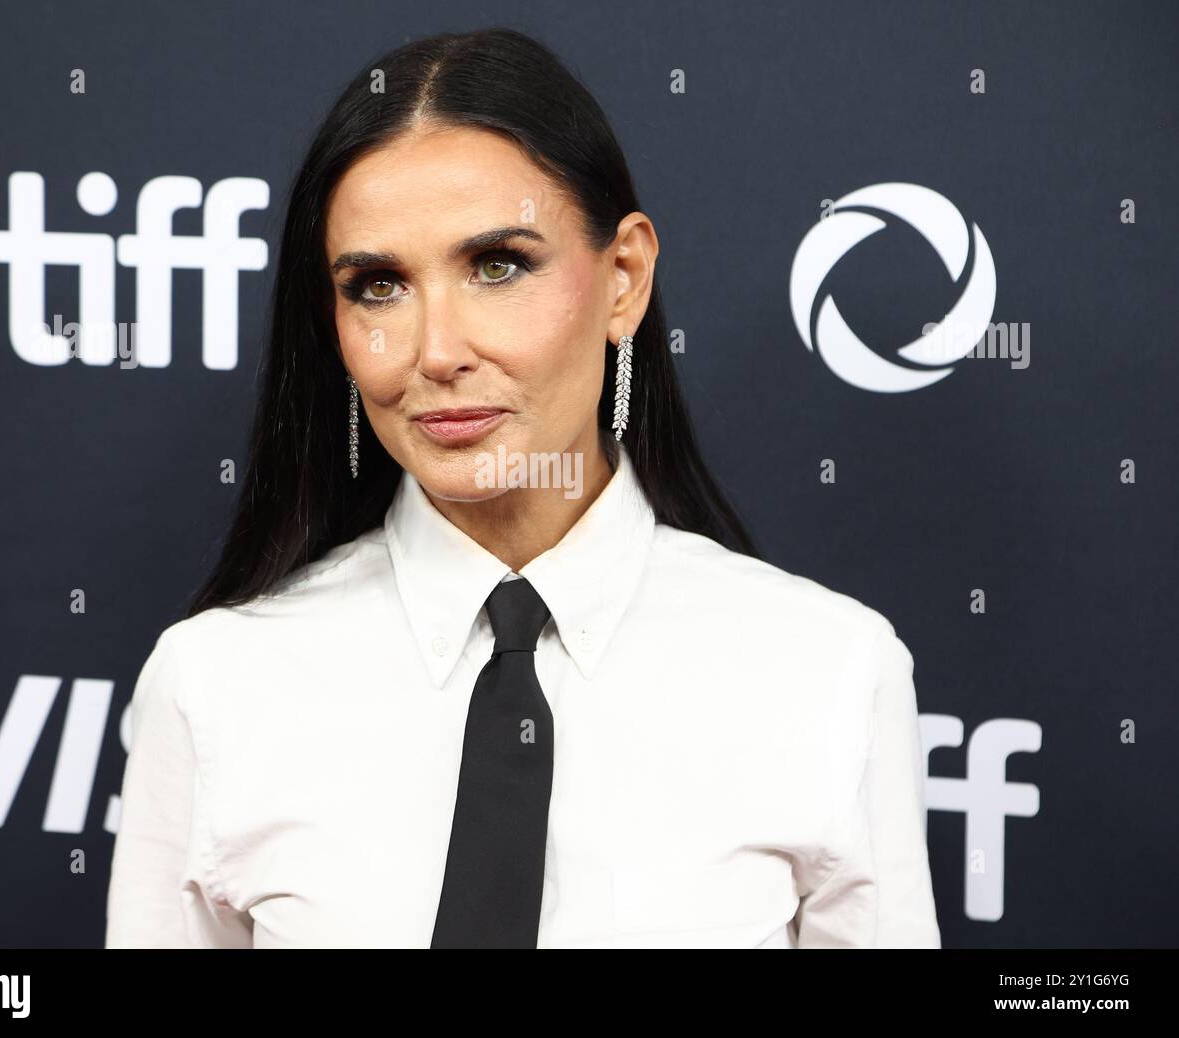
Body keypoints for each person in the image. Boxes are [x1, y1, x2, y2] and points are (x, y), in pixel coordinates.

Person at [105, 27, 940, 949]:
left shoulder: (828, 674)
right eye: (378, 286)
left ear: (623, 278)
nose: (436, 353)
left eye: (497, 266)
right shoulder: (214, 684)